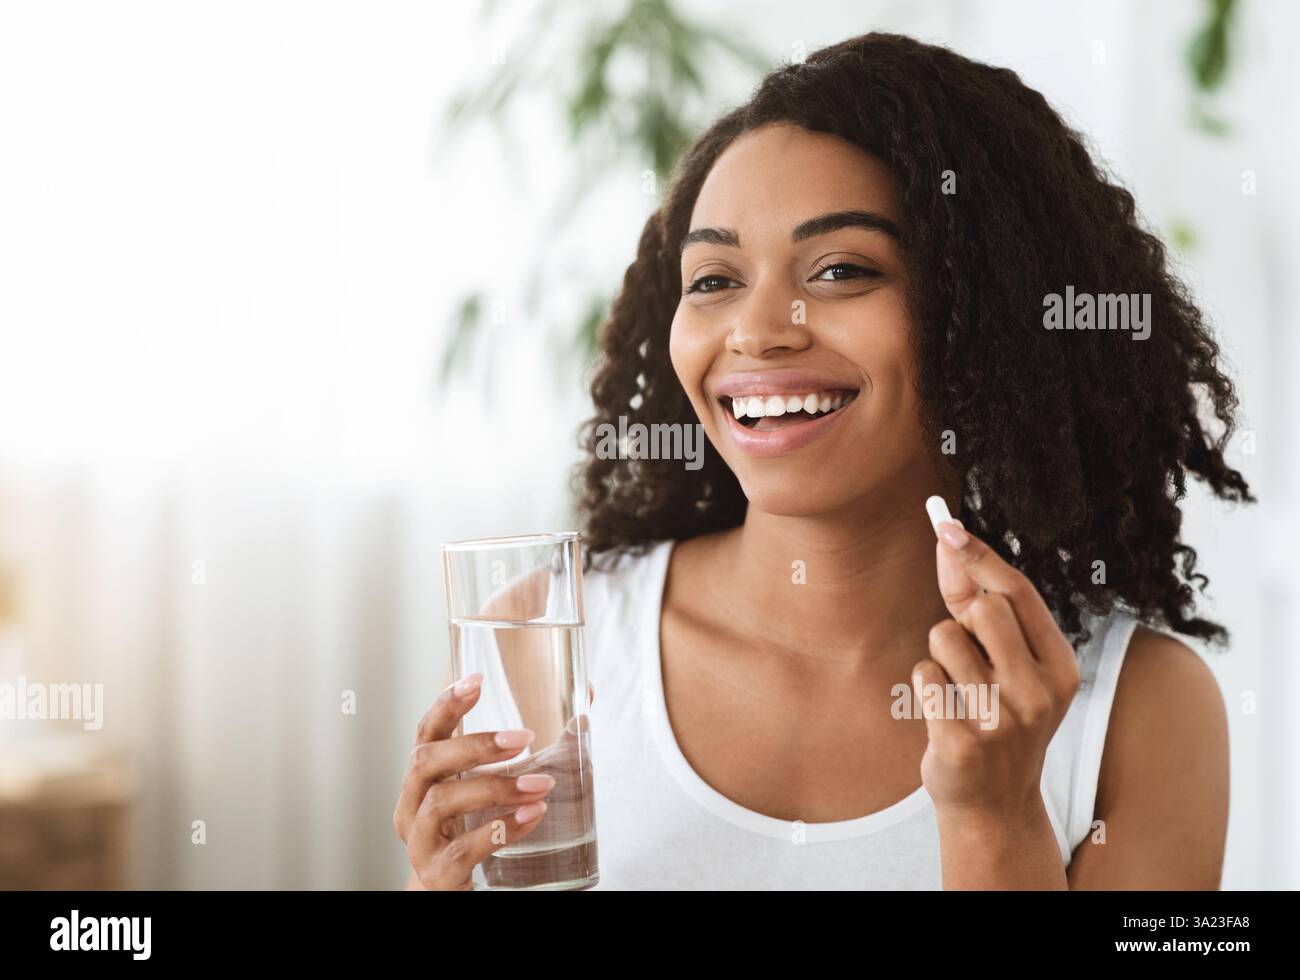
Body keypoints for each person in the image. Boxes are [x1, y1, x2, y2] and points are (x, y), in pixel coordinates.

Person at [396, 31, 1250, 890]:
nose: (759, 330)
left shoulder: (1140, 709)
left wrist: (993, 817)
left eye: (841, 270)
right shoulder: (541, 638)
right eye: (714, 279)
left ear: (985, 319)